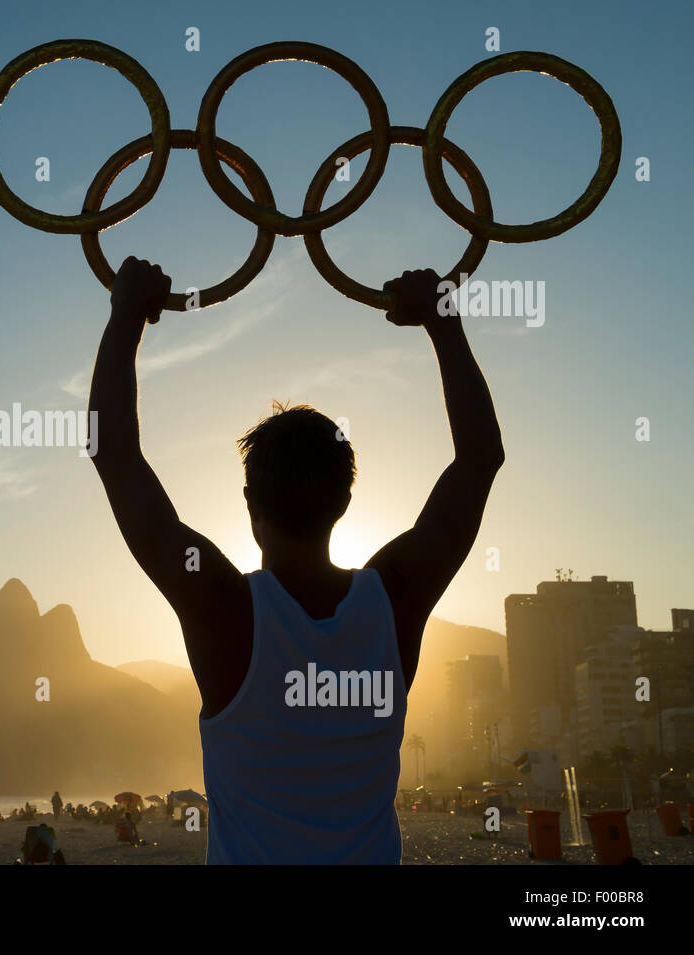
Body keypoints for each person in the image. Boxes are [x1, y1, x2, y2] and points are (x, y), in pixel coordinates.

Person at [89, 258, 503, 864]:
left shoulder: (224, 611)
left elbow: (115, 456)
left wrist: (128, 312)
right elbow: (479, 459)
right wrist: (441, 320)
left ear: (250, 504)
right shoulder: (395, 598)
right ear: (346, 500)